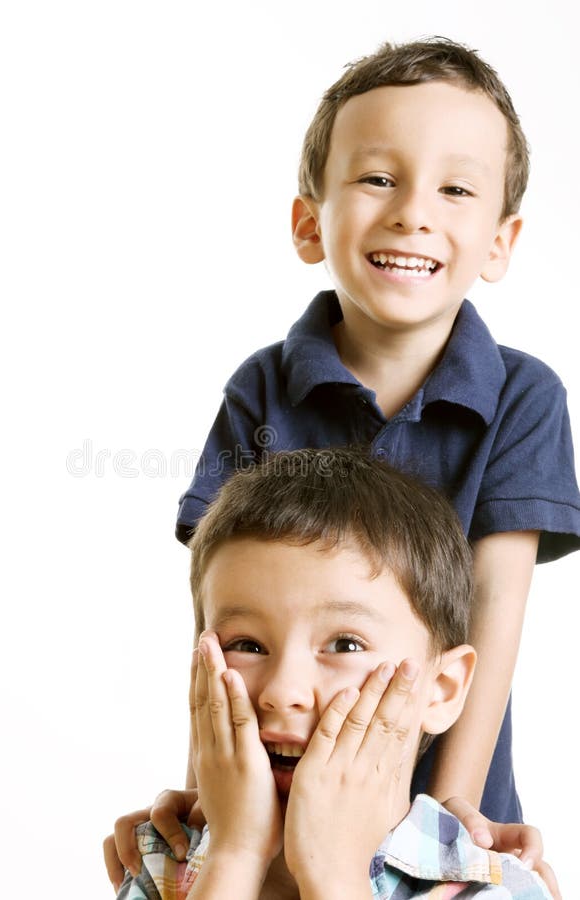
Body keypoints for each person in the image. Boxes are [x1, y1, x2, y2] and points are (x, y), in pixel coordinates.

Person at [105, 36, 580, 890]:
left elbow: (494, 611)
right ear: (307, 222)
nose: (412, 213)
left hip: (429, 779)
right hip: (280, 757)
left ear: (502, 241)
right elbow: (220, 615)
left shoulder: (523, 395)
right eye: (376, 178)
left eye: (456, 188)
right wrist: (215, 789)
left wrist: (454, 809)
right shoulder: (264, 386)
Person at [116, 448, 554, 899]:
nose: (283, 693)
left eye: (345, 644)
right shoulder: (161, 867)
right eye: (247, 645)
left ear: (441, 689)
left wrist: (335, 876)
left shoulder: (494, 887)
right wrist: (235, 855)